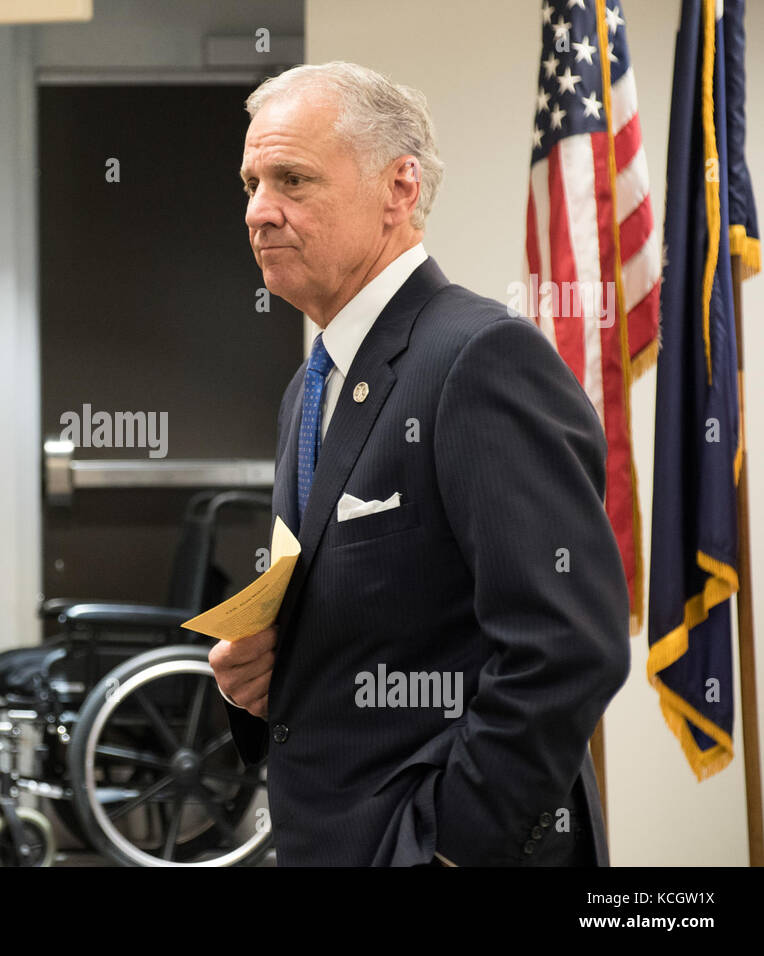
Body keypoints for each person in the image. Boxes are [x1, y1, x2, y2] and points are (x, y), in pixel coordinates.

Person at [209, 61, 630, 866]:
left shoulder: (480, 356)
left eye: (292, 179)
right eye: (252, 182)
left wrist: (449, 846)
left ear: (400, 189)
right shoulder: (310, 386)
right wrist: (258, 674)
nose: (261, 211)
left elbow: (568, 645)